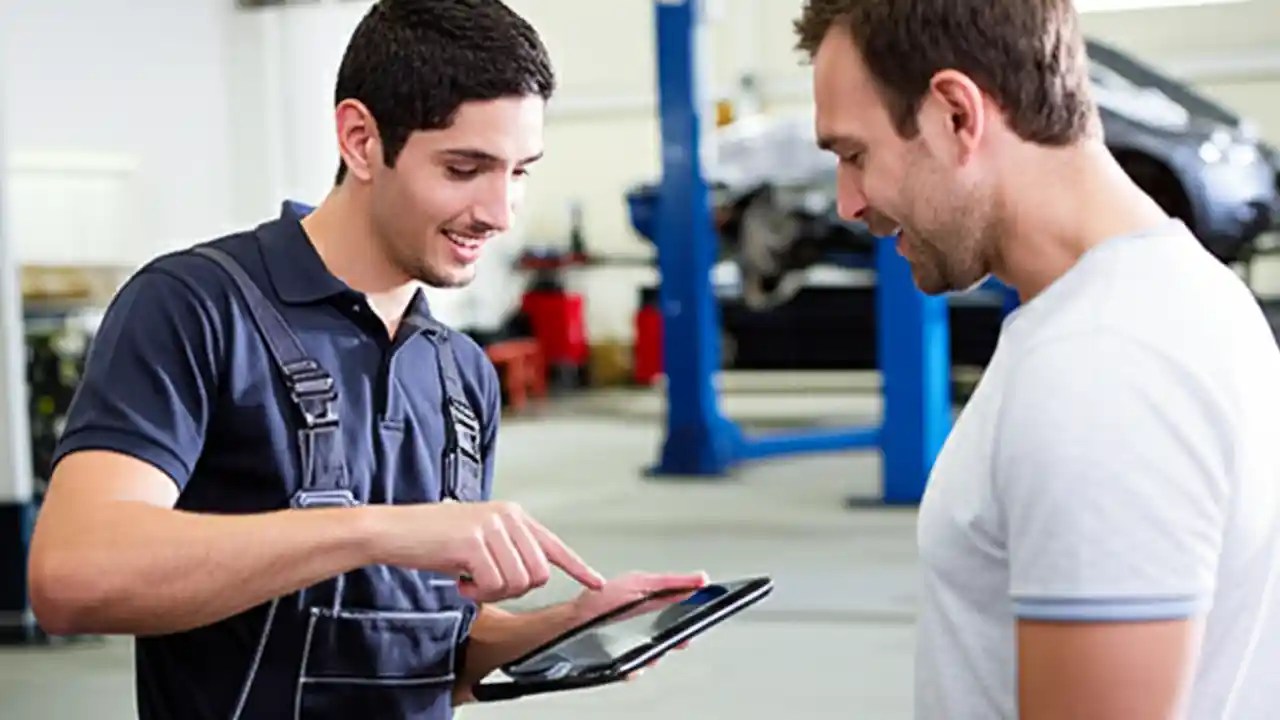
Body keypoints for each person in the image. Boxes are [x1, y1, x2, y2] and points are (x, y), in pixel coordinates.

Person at [26, 1, 705, 718]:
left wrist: (564, 630)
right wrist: (376, 528)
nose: (500, 212)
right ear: (360, 140)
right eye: (464, 167)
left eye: (519, 172)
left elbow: (426, 654)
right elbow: (74, 576)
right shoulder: (194, 308)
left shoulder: (461, 376)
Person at [794, 2, 1280, 719]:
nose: (847, 202)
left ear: (956, 115)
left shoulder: (1103, 367)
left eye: (855, 155)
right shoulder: (1174, 296)